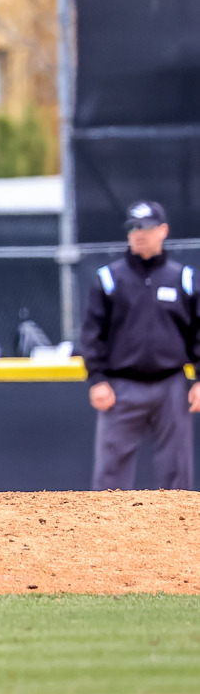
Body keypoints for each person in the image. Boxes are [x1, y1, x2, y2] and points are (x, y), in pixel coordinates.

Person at [82, 200, 200, 491]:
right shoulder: (109, 278)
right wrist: (97, 379)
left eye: (146, 227)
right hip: (122, 387)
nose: (139, 233)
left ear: (163, 230)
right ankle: (105, 534)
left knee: (177, 472)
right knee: (110, 474)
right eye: (133, 227)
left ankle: (178, 533)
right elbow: (91, 333)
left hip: (171, 385)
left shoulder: (183, 278)